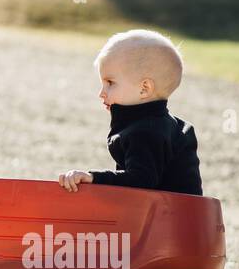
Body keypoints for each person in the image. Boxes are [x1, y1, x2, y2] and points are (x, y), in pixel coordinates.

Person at [57, 29, 202, 196]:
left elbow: (140, 181)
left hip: (168, 219)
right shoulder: (166, 125)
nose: (101, 93)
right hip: (179, 216)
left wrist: (94, 178)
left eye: (110, 83)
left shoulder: (146, 132)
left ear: (144, 88)